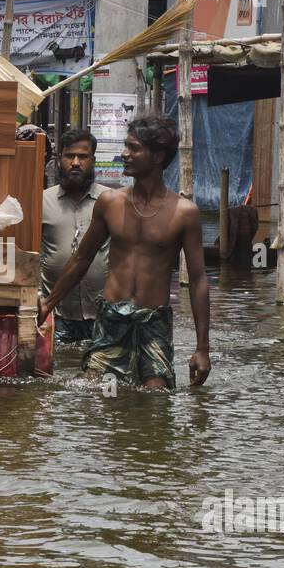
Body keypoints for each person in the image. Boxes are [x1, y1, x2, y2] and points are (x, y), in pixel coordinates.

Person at [38, 114, 211, 389]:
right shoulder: (110, 203)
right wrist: (48, 304)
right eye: (125, 146)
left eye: (133, 148)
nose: (124, 154)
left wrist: (203, 348)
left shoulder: (184, 213)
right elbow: (82, 258)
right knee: (93, 390)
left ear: (157, 156)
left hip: (153, 322)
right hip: (110, 319)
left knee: (156, 399)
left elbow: (199, 279)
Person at [41, 129, 109, 343]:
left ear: (93, 160)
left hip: (103, 314)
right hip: (56, 313)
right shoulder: (41, 202)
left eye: (83, 156)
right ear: (59, 159)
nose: (76, 162)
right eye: (70, 156)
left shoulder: (112, 202)